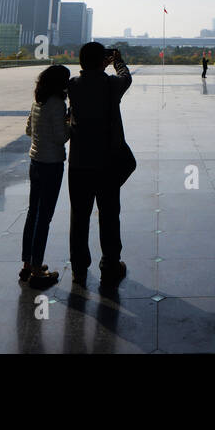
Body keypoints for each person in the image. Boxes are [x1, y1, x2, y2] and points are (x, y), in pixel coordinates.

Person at [66, 42, 132, 288]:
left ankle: (79, 270)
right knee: (109, 215)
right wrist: (117, 61)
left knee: (79, 218)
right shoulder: (110, 84)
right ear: (102, 60)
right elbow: (126, 77)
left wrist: (98, 65)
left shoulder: (73, 85)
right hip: (107, 162)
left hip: (79, 163)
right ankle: (110, 265)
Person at [20, 64, 71, 288]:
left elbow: (29, 130)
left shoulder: (37, 101)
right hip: (52, 164)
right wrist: (70, 122)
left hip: (35, 160)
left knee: (33, 213)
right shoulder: (58, 103)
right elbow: (62, 138)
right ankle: (38, 271)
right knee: (44, 217)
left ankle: (27, 264)